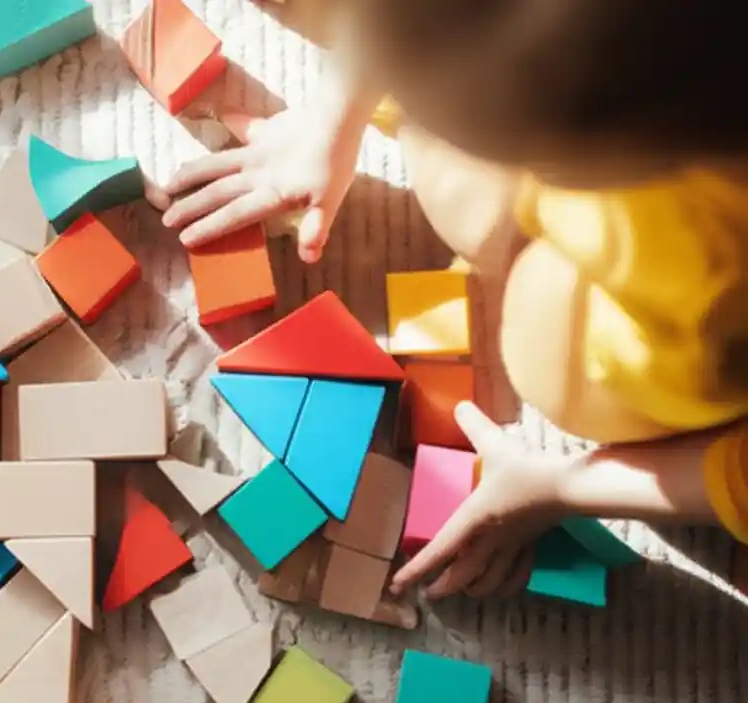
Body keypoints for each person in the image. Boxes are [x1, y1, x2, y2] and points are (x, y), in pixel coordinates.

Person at [154, 0, 748, 599]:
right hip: (633, 177)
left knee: (545, 360)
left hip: (695, 322)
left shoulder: (703, 271)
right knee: (459, 179)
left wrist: (559, 486)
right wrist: (329, 125)